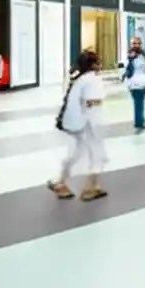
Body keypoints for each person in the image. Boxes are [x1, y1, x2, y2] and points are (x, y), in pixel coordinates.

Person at [48, 51, 108, 201]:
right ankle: (90, 189)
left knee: (77, 153)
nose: (100, 65)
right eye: (98, 62)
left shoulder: (79, 78)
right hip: (87, 123)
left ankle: (59, 182)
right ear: (93, 65)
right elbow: (90, 103)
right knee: (97, 154)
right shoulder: (92, 80)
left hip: (75, 122)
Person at [123, 37, 145, 133]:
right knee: (138, 103)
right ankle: (139, 122)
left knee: (141, 103)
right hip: (135, 83)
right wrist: (131, 58)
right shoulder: (129, 56)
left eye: (138, 43)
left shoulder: (143, 55)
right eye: (134, 43)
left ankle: (140, 121)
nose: (137, 45)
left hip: (143, 82)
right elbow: (127, 69)